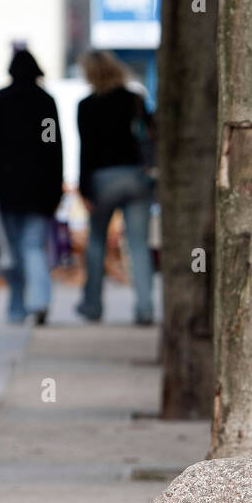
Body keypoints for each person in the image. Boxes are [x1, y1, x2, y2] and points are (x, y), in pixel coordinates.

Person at [0, 48, 63, 324]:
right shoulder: (45, 102)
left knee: (12, 249)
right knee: (33, 246)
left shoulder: (1, 101)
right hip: (39, 188)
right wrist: (56, 185)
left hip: (7, 188)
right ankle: (39, 300)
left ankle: (16, 307)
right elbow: (52, 146)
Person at [76, 50, 155, 326]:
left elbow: (86, 151)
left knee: (97, 243)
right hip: (136, 177)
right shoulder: (134, 99)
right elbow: (150, 134)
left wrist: (84, 190)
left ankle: (93, 304)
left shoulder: (86, 106)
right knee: (138, 245)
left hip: (103, 179)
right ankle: (145, 308)